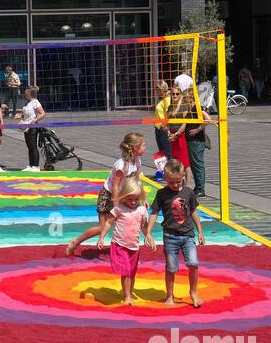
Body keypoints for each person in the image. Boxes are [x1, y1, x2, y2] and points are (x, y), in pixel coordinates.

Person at [66, 132, 145, 256]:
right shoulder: (121, 165)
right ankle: (75, 242)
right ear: (135, 147)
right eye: (143, 145)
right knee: (102, 228)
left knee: (126, 222)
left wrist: (142, 198)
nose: (145, 147)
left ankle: (125, 251)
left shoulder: (137, 161)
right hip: (109, 195)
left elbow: (136, 180)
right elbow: (115, 185)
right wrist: (116, 204)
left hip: (123, 195)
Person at [146, 159, 205, 308]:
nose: (175, 185)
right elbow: (154, 212)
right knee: (171, 268)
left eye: (178, 182)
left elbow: (193, 211)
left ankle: (193, 292)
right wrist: (148, 232)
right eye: (171, 182)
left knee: (193, 264)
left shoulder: (188, 192)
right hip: (170, 236)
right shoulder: (162, 194)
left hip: (188, 235)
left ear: (183, 176)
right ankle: (169, 295)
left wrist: (200, 231)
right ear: (165, 178)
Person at [110, 177, 153, 307]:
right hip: (120, 244)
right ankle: (127, 296)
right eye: (130, 199)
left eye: (136, 199)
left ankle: (129, 292)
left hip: (134, 247)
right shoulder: (119, 208)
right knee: (126, 270)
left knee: (132, 272)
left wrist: (148, 236)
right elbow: (108, 222)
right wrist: (102, 236)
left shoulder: (142, 210)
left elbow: (144, 226)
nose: (133, 202)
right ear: (124, 196)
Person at [182, 95, 214, 198]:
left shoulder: (197, 108)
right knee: (194, 164)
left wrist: (197, 130)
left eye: (185, 97)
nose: (184, 99)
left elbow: (208, 119)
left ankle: (200, 189)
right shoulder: (189, 109)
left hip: (196, 141)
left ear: (191, 98)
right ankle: (197, 187)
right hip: (191, 141)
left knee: (198, 164)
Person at [19, 85, 46, 171]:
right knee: (29, 146)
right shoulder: (28, 103)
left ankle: (36, 166)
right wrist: (20, 116)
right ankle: (31, 165)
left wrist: (35, 120)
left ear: (30, 94)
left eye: (26, 93)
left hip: (33, 127)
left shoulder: (35, 102)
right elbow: (26, 114)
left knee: (33, 146)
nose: (24, 94)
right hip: (26, 126)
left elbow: (42, 113)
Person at [153, 81, 174, 161]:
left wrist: (166, 126)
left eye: (158, 90)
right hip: (158, 128)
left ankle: (171, 167)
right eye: (156, 90)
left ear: (164, 89)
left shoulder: (167, 99)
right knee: (162, 153)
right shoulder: (162, 99)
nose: (157, 92)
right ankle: (165, 168)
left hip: (164, 129)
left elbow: (169, 114)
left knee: (168, 153)